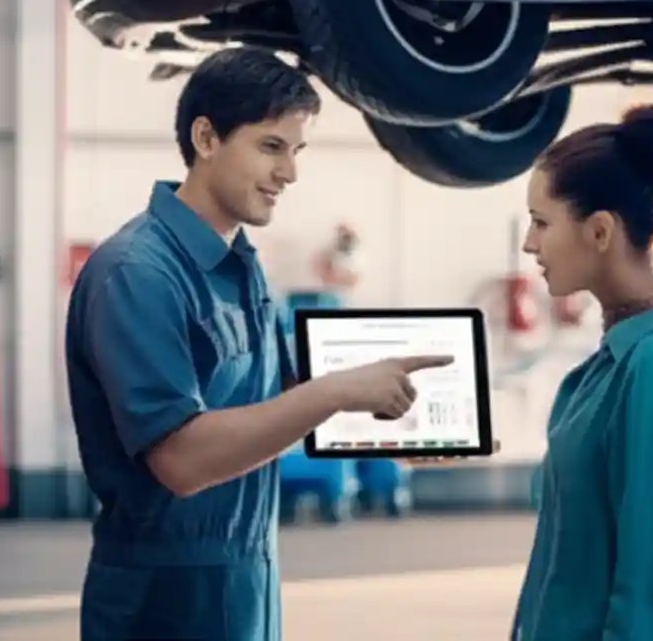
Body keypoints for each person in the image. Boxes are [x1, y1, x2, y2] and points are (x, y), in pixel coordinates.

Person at [64, 47, 453, 641]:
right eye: (272, 147)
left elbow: (276, 397)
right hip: (166, 601)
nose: (290, 173)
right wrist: (334, 393)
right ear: (206, 137)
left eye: (297, 152)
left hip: (247, 578)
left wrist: (397, 427)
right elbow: (182, 461)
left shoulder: (241, 264)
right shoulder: (137, 273)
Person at [512, 104, 653, 640]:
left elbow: (651, 606)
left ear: (600, 231)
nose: (529, 243)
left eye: (542, 222)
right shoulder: (626, 358)